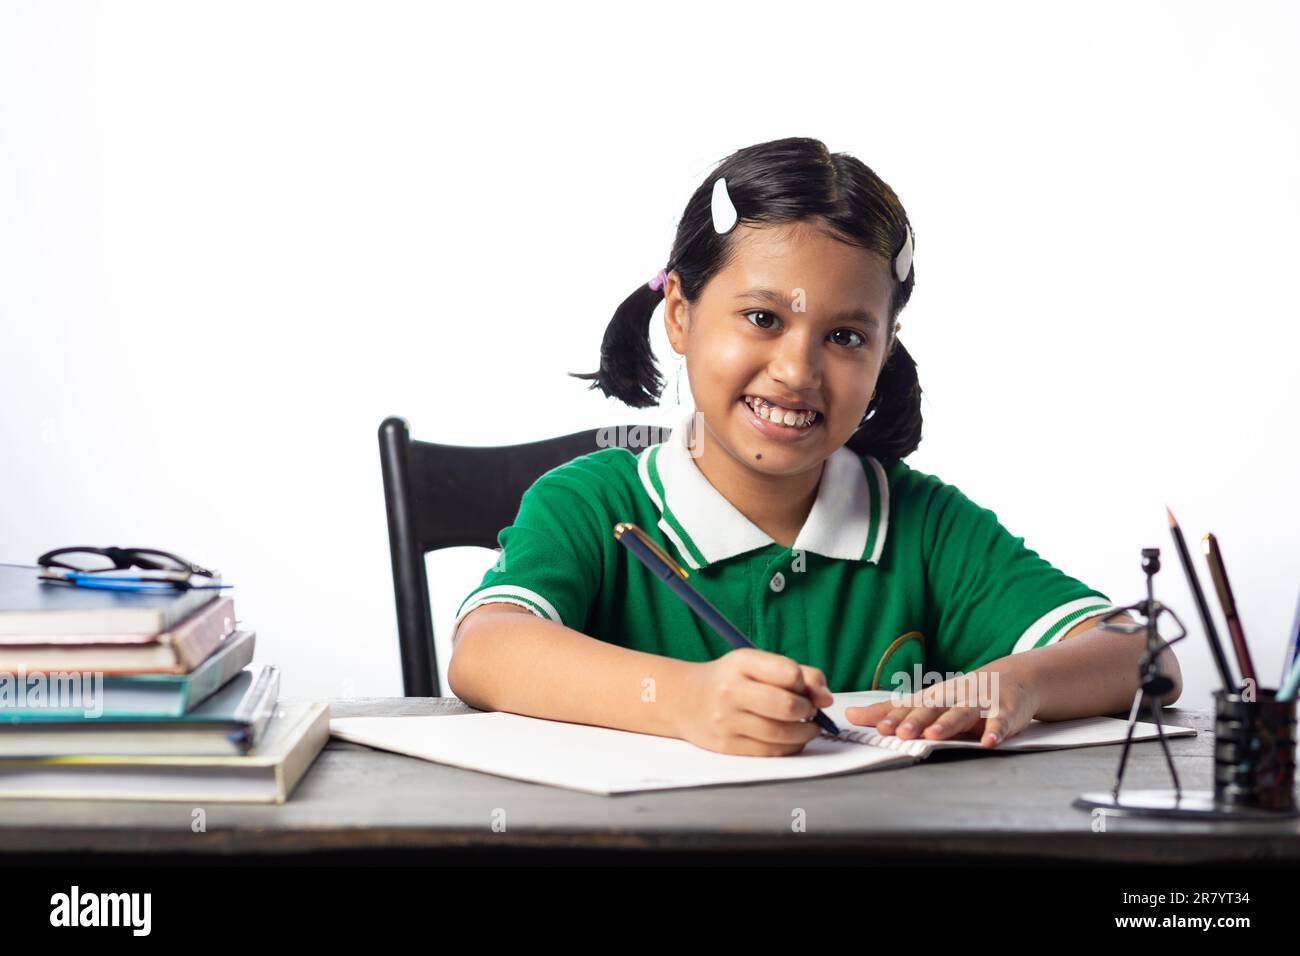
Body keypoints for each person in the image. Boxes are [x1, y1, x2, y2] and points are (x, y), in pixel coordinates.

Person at [448, 136, 1182, 756]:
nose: (798, 372)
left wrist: (1011, 688)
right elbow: (485, 651)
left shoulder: (921, 523)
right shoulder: (591, 504)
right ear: (679, 314)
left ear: (885, 351)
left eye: (845, 337)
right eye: (763, 317)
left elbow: (1143, 654)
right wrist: (685, 699)